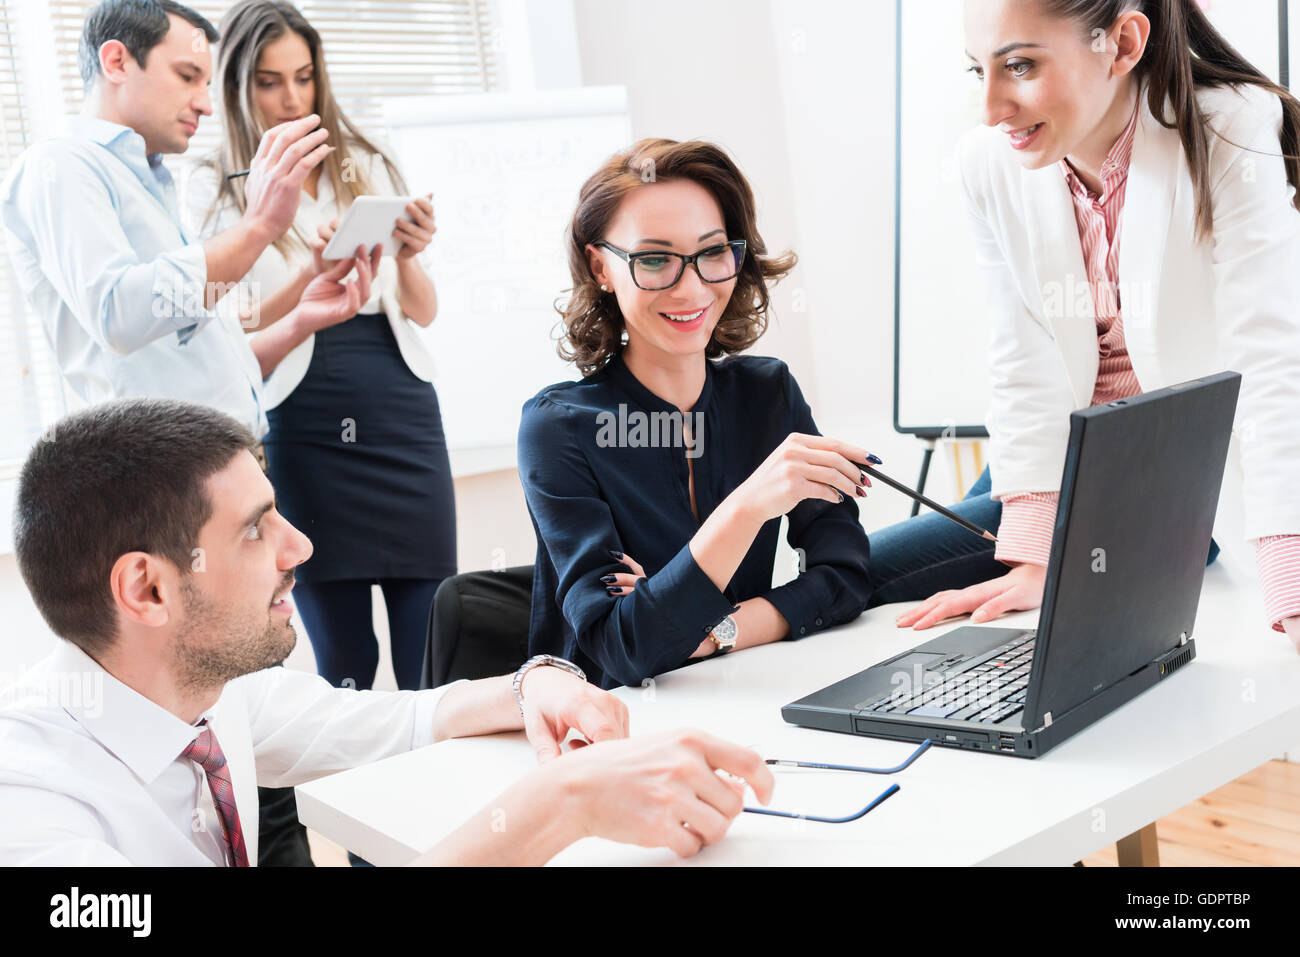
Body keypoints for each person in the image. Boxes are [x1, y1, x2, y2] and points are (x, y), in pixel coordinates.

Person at [0, 398, 774, 866]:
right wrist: (561, 802)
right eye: (255, 530)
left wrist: (534, 680)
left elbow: (398, 717)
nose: (299, 548)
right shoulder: (28, 799)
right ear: (148, 587)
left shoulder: (201, 693)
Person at [0, 0, 376, 867]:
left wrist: (292, 322)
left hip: (219, 470)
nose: (208, 102)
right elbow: (119, 314)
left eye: (210, 80)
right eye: (188, 75)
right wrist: (258, 230)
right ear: (116, 64)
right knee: (224, 693)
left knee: (253, 699)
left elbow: (186, 348)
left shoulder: (151, 180)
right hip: (156, 495)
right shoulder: (63, 168)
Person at [868, 0, 1300, 654]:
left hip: (1183, 469)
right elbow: (1025, 357)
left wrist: (1290, 577)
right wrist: (1038, 557)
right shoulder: (988, 162)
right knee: (865, 568)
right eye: (977, 70)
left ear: (1122, 43)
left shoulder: (1231, 129)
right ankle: (693, 618)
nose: (991, 108)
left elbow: (1271, 360)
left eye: (1020, 66)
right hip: (1069, 457)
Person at [518, 139, 875, 690]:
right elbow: (626, 651)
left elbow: (845, 578)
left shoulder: (767, 393)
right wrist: (748, 509)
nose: (692, 288)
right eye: (654, 259)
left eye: (713, 253)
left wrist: (715, 631)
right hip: (614, 731)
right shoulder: (558, 426)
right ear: (601, 268)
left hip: (738, 697)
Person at [183, 0, 456, 697]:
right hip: (302, 412)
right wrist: (310, 274)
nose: (292, 97)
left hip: (401, 407)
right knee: (343, 658)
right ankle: (351, 802)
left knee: (433, 640)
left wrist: (410, 254)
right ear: (238, 85)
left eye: (304, 77)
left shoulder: (365, 160)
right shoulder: (215, 184)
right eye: (271, 81)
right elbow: (228, 329)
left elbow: (420, 309)